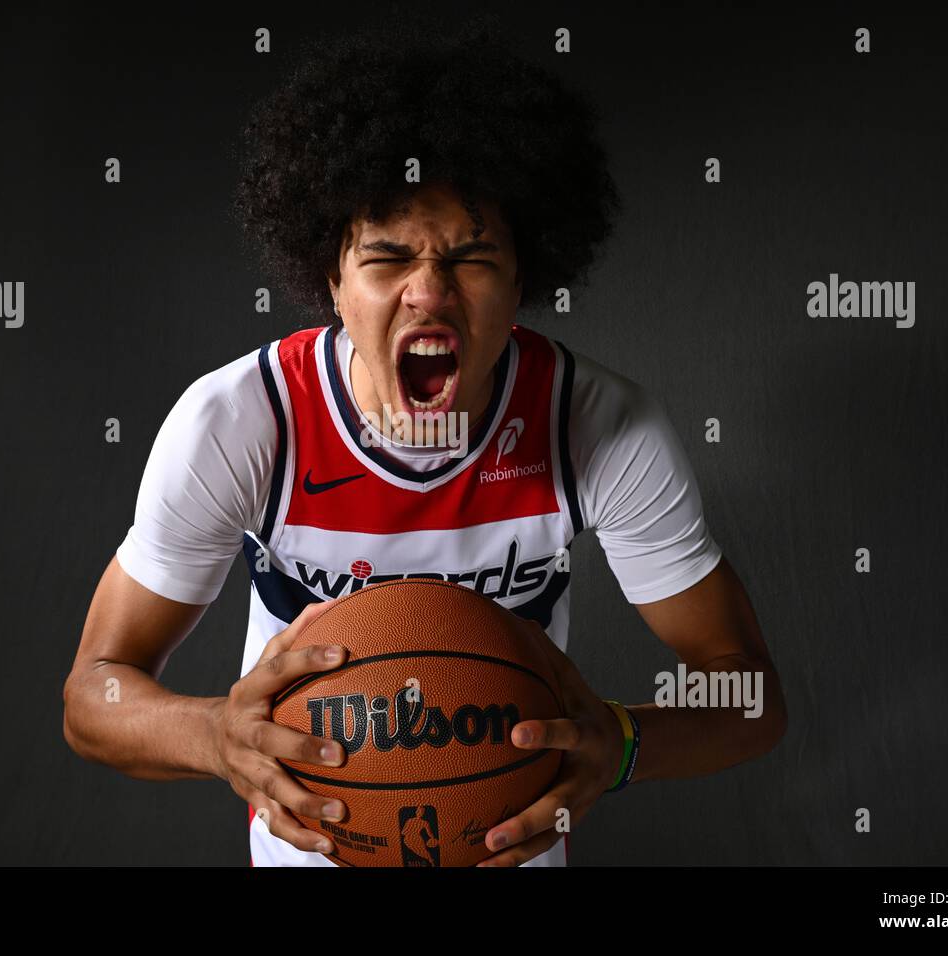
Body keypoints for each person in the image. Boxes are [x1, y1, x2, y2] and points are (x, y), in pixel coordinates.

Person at [62, 14, 786, 867]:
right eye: (387, 258)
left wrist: (624, 740)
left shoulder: (596, 426)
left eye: (472, 258)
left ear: (525, 278)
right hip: (312, 849)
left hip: (510, 843)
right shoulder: (243, 422)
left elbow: (752, 698)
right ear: (331, 281)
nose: (429, 294)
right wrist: (215, 733)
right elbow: (93, 694)